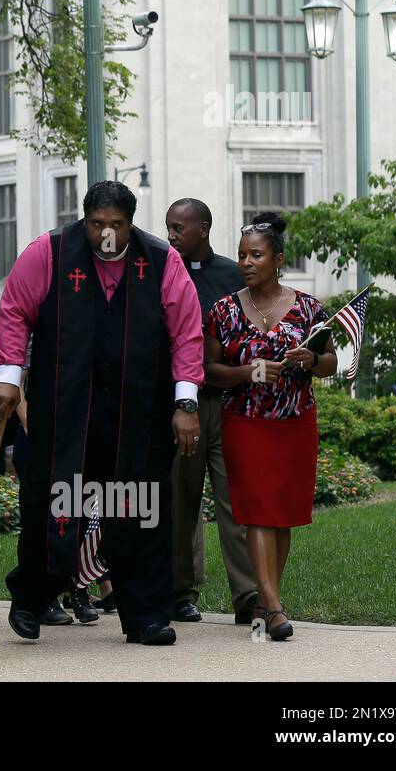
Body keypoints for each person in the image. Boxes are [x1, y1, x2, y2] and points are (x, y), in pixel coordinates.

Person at [0, 180, 203, 647]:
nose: (107, 234)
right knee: (51, 506)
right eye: (96, 224)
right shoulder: (47, 253)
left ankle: (145, 615)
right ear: (83, 219)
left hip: (137, 416)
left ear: (132, 223)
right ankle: (31, 600)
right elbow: (13, 314)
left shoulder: (162, 262)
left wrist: (185, 403)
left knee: (139, 508)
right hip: (63, 415)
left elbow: (187, 334)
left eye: (117, 225)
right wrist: (7, 374)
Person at [204, 212, 336, 641]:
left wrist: (311, 361)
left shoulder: (309, 308)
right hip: (246, 423)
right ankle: (275, 607)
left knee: (281, 515)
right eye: (242, 255)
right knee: (258, 511)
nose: (245, 262)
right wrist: (248, 372)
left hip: (295, 421)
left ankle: (264, 600)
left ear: (278, 259)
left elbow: (333, 363)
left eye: (256, 255)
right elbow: (208, 370)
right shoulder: (223, 311)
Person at [166, 198, 258, 625]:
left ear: (203, 228)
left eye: (179, 228)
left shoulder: (231, 276)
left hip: (227, 402)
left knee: (235, 500)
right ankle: (181, 592)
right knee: (180, 502)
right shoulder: (163, 270)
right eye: (168, 227)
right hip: (182, 403)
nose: (171, 235)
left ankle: (250, 596)